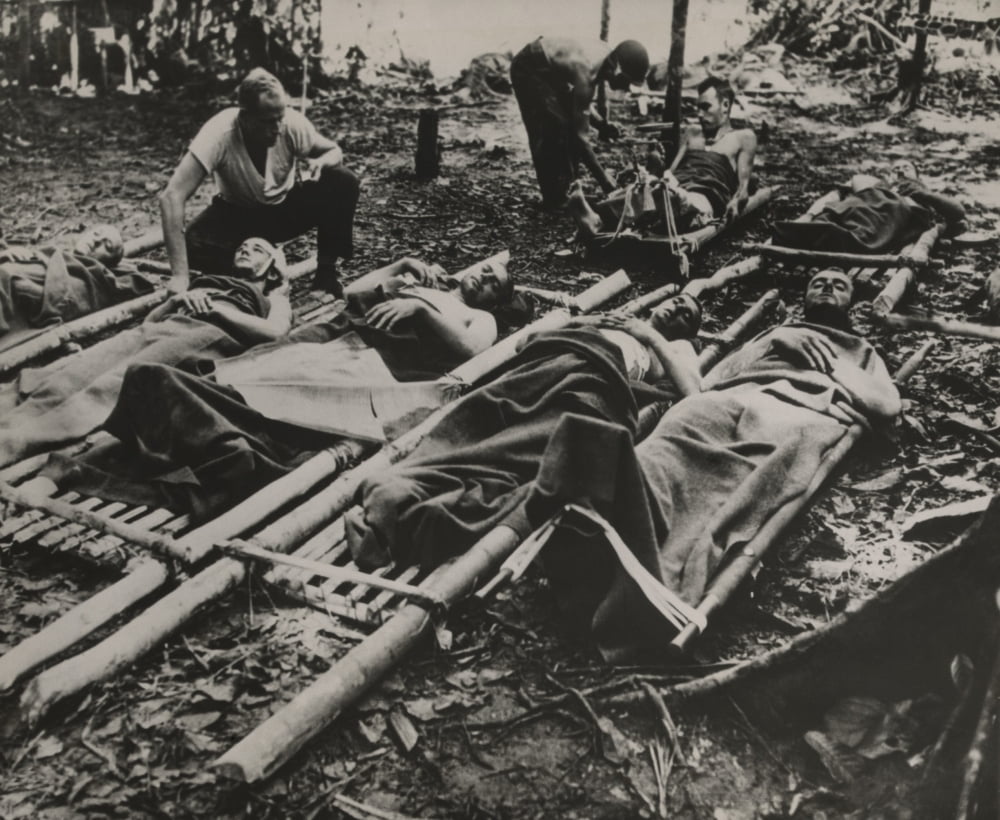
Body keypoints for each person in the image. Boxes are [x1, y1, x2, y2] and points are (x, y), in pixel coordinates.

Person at [43, 255, 521, 520]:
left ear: (497, 298)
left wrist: (419, 310)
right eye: (484, 268)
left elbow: (469, 349)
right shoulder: (428, 284)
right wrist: (400, 267)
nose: (483, 275)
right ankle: (205, 429)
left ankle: (219, 441)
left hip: (369, 367)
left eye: (494, 281)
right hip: (338, 341)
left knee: (254, 395)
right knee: (221, 376)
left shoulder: (479, 318)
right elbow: (353, 293)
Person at [344, 291, 704, 570]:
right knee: (476, 425)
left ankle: (415, 513)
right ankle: (397, 490)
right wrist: (587, 323)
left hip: (586, 386)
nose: (677, 309)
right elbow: (525, 342)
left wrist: (649, 336)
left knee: (518, 452)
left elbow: (693, 392)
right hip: (538, 372)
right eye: (677, 301)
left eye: (687, 314)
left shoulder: (674, 347)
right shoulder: (614, 321)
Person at [0, 237, 291, 469]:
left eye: (257, 249)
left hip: (202, 338)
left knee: (110, 386)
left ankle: (13, 442)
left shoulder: (272, 299)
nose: (245, 250)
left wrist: (216, 309)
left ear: (272, 268)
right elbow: (150, 320)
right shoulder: (210, 282)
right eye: (242, 246)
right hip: (157, 328)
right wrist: (177, 301)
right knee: (74, 372)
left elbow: (276, 332)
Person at [159, 68, 359, 298]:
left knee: (343, 181)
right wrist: (179, 276)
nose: (277, 128)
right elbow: (171, 196)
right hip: (237, 215)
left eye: (280, 119)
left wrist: (322, 162)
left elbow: (334, 151)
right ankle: (245, 279)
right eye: (268, 122)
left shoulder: (290, 123)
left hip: (284, 211)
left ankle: (326, 273)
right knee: (194, 243)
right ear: (245, 118)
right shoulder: (220, 132)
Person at [569, 76, 758, 237]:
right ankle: (598, 219)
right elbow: (672, 172)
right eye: (698, 108)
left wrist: (736, 201)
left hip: (705, 196)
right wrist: (658, 174)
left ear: (725, 105)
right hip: (677, 185)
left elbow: (743, 187)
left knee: (677, 199)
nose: (700, 114)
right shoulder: (692, 132)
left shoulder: (743, 138)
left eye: (705, 107)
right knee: (652, 189)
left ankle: (669, 202)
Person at [510, 37, 649, 209]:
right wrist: (605, 181)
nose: (626, 88)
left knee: (566, 125)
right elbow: (580, 137)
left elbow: (580, 104)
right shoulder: (587, 70)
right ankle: (555, 198)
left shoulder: (605, 61)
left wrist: (601, 124)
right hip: (528, 66)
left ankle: (569, 189)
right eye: (627, 82)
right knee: (554, 127)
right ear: (618, 70)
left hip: (551, 70)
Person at [0, 224, 155, 351]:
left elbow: (57, 301)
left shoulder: (90, 278)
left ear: (109, 262)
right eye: (97, 233)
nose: (96, 241)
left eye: (106, 246)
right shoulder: (56, 254)